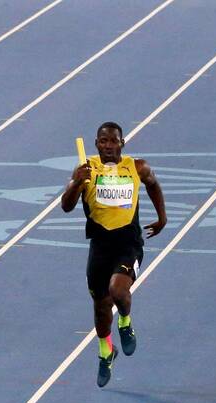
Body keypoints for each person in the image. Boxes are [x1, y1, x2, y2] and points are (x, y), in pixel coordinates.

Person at [59, 122, 167, 387]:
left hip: (128, 244)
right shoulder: (86, 170)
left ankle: (126, 323)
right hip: (100, 246)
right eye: (103, 141)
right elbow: (66, 206)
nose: (108, 146)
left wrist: (162, 217)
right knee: (101, 308)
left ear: (122, 143)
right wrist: (77, 183)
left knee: (118, 291)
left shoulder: (136, 167)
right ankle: (106, 351)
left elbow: (153, 184)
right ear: (96, 144)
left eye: (113, 141)